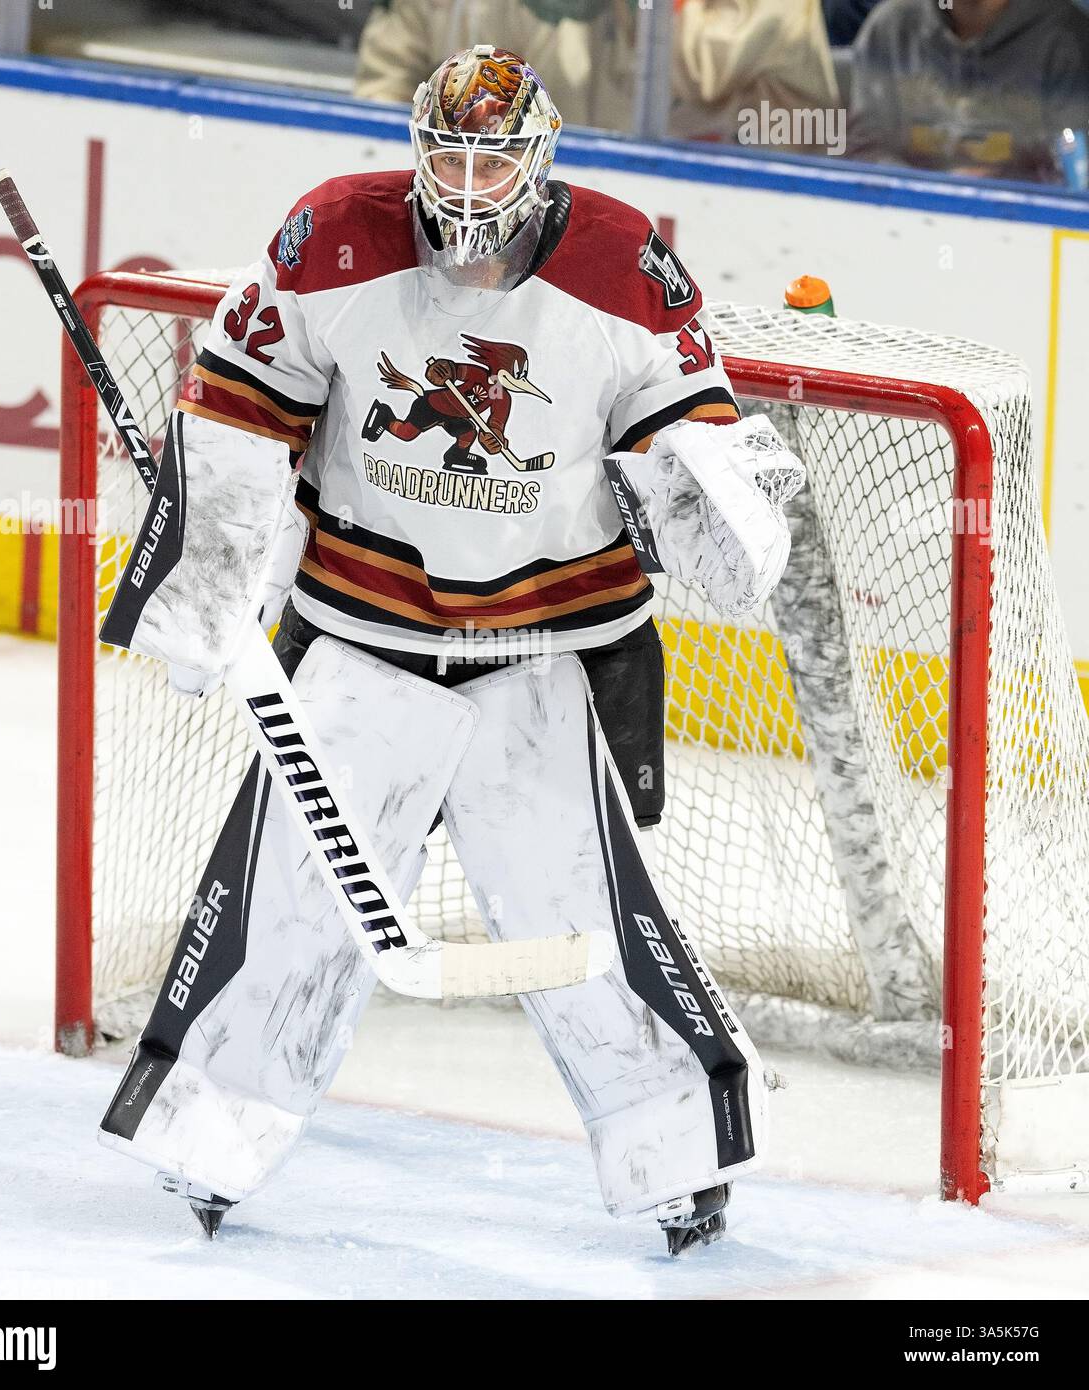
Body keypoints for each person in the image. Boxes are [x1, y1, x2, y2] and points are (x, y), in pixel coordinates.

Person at [96, 46, 803, 1254]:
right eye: (449, 153)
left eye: (495, 154)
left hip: (544, 651)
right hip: (362, 638)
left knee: (576, 913)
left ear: (543, 155)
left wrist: (717, 506)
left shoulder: (622, 264)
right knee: (292, 904)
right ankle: (210, 1136)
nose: (469, 183)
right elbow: (231, 413)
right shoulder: (328, 237)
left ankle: (676, 1152)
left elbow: (692, 432)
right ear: (416, 148)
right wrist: (203, 587)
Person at [357, 1, 837, 148]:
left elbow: (706, 76)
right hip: (494, 243)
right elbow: (375, 114)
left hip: (730, 255)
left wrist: (645, 10)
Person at [847, 0, 1089, 183]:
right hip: (902, 223)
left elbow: (1075, 172)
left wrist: (994, 188)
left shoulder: (1067, 40)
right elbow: (864, 149)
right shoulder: (890, 28)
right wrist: (929, 191)